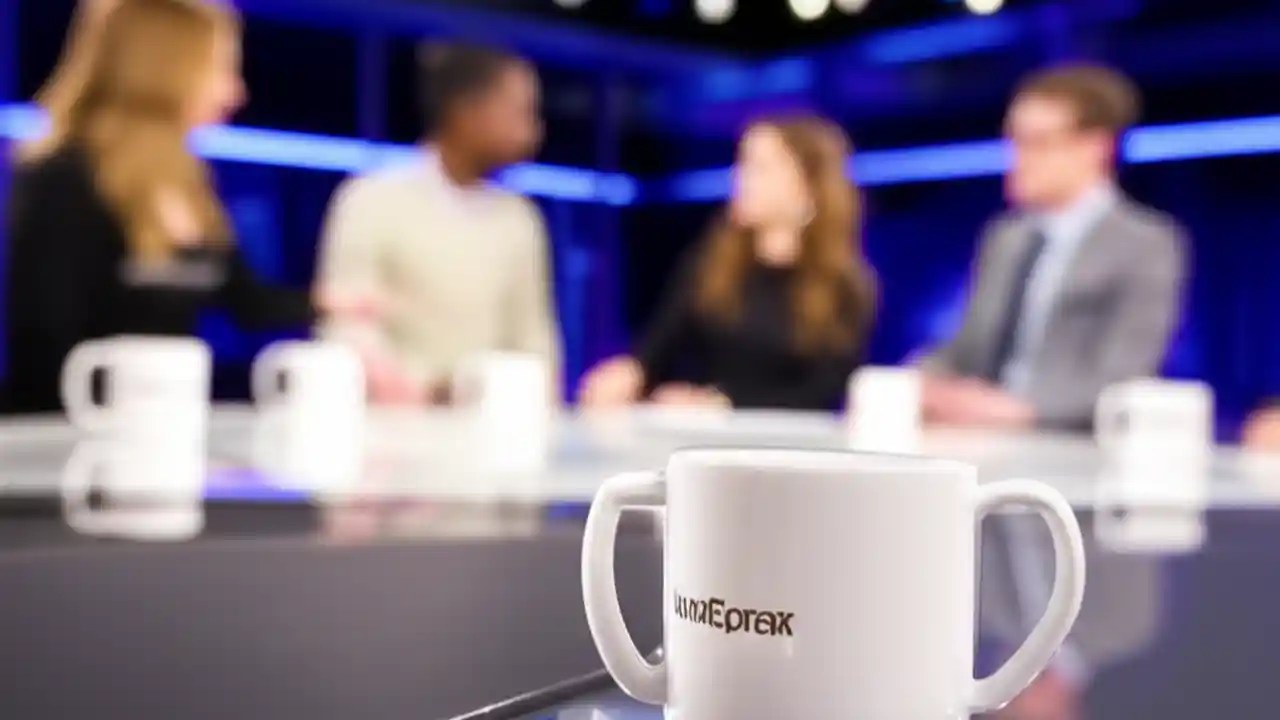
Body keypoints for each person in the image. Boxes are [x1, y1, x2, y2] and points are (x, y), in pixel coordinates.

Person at [1, 0, 365, 414]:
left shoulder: (190, 185)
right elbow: (43, 348)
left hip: (165, 428)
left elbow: (247, 302)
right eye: (220, 70)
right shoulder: (63, 179)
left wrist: (335, 303)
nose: (236, 93)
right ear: (164, 69)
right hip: (76, 435)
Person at [921, 64, 1188, 431]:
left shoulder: (1147, 243)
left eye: (1037, 142)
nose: (1018, 159)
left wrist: (1018, 411)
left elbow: (1125, 375)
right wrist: (918, 384)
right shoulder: (1005, 237)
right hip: (977, 435)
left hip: (1074, 445)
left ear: (1095, 148)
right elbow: (965, 348)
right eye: (1014, 141)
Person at [316, 43, 560, 405]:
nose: (533, 131)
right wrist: (404, 387)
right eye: (520, 113)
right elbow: (344, 322)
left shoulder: (520, 220)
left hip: (490, 426)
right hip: (387, 425)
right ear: (467, 111)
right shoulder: (372, 199)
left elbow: (534, 341)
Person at [579, 116, 876, 411]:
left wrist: (721, 405)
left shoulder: (844, 287)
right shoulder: (712, 264)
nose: (741, 180)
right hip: (702, 433)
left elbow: (824, 392)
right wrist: (630, 373)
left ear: (808, 184)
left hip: (788, 439)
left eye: (760, 168)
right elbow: (660, 345)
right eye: (742, 165)